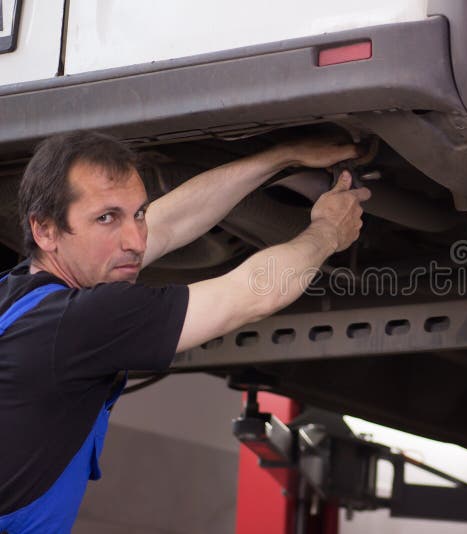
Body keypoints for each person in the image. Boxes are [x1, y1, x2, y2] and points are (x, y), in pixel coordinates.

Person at [0, 130, 370, 533]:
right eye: (106, 217)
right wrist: (328, 232)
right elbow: (249, 295)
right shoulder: (80, 323)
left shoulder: (19, 294)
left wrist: (282, 155)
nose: (135, 240)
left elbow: (171, 222)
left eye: (136, 213)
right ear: (46, 231)